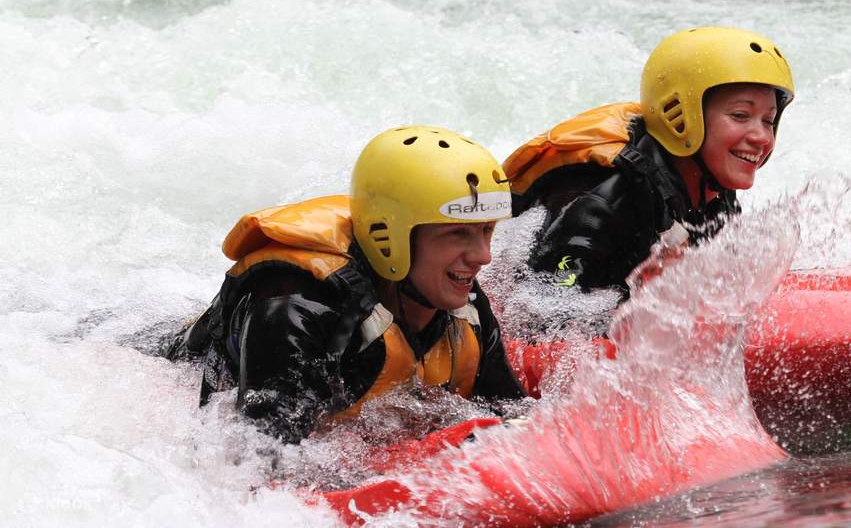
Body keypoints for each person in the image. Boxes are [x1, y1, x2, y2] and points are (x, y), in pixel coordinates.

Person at [167, 126, 526, 443]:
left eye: (486, 230)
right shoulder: (295, 311)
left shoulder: (466, 308)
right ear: (391, 236)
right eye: (458, 233)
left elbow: (512, 414)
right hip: (156, 371)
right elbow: (259, 468)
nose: (483, 256)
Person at [503, 26, 795, 296]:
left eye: (768, 120)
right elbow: (539, 317)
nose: (761, 137)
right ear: (681, 115)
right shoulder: (606, 203)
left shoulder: (711, 185)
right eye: (740, 116)